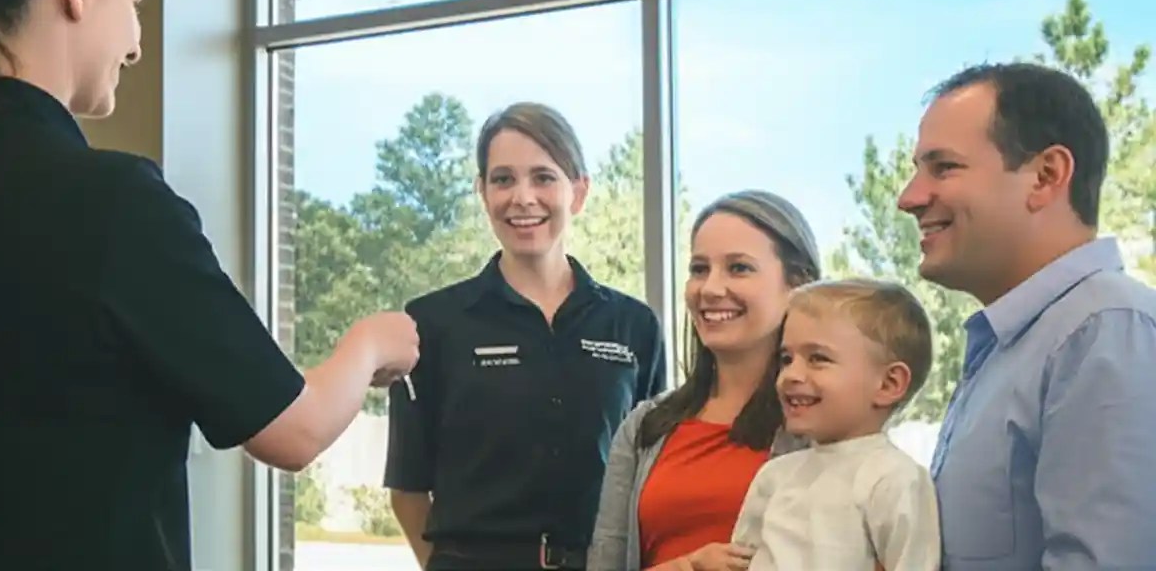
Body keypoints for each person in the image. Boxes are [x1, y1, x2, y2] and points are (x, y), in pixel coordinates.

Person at [0, 0, 418, 571]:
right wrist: (375, 342)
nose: (136, 43)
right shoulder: (112, 202)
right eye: (134, 2)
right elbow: (296, 429)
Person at [383, 102, 667, 571]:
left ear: (578, 192)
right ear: (482, 191)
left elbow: (650, 476)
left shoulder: (634, 326)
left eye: (543, 177)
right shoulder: (432, 323)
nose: (522, 197)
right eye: (503, 179)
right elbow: (408, 489)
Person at [897, 62, 1156, 569]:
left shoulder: (1104, 330)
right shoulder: (1018, 344)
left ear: (1046, 176)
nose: (909, 197)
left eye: (943, 167)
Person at [588, 190, 820, 571]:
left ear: (797, 285)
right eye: (699, 268)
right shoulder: (644, 427)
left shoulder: (825, 426)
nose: (710, 289)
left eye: (738, 268)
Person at [730, 278, 940, 571]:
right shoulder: (775, 475)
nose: (791, 374)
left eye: (818, 358)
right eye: (786, 358)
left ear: (889, 384)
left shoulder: (894, 479)